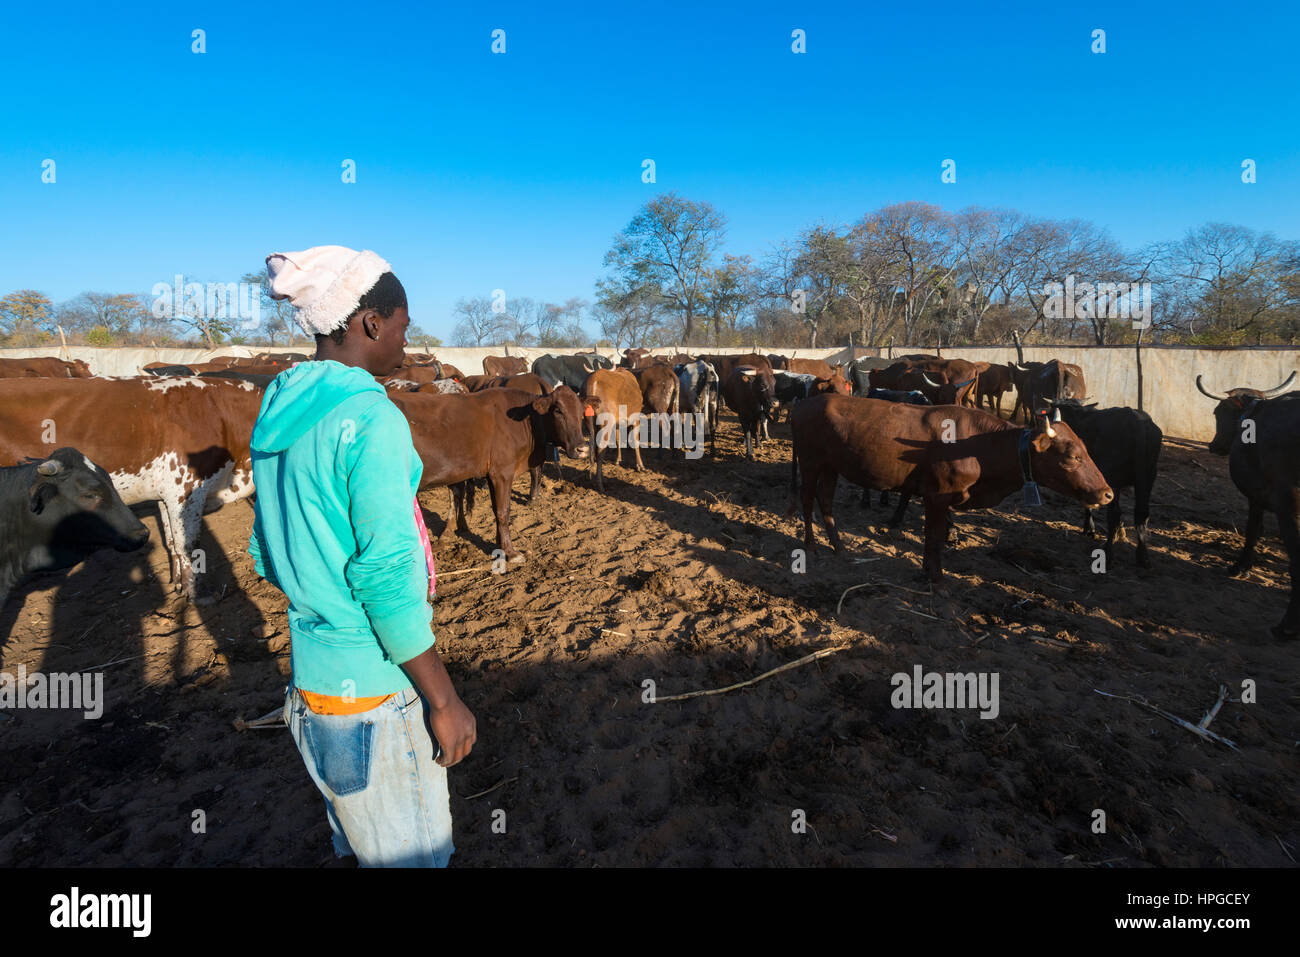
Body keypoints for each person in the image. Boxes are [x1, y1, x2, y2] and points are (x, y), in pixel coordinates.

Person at [248, 245, 475, 867]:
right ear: (370, 322)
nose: (407, 337)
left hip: (314, 690)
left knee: (355, 848)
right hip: (374, 693)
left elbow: (267, 545)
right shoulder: (373, 418)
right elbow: (385, 579)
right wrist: (443, 699)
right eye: (403, 323)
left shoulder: (279, 407)